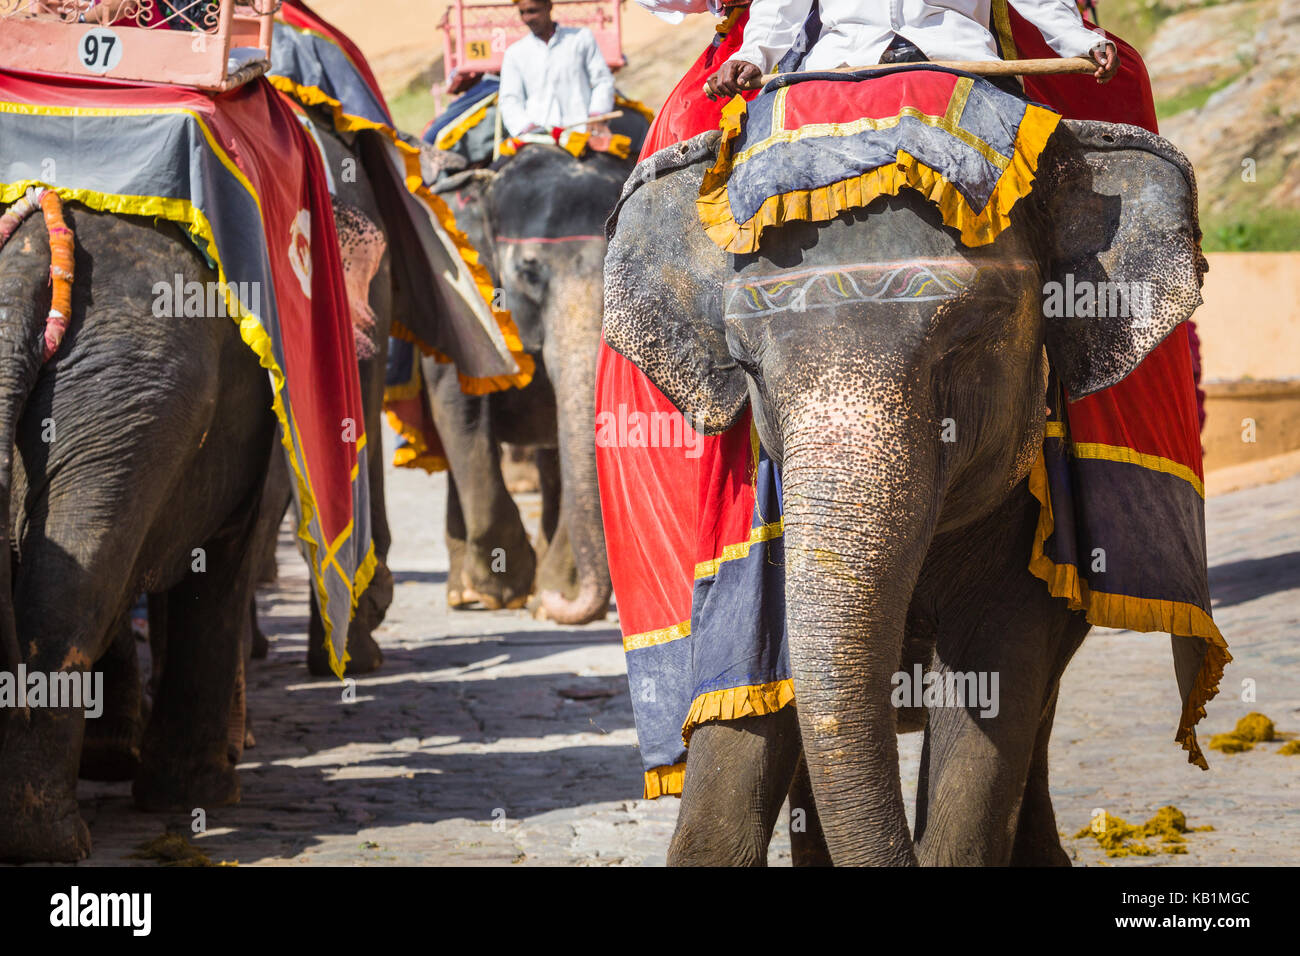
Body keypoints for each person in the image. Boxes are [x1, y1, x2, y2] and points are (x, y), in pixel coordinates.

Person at [707, 0, 1118, 95]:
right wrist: (751, 54)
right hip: (838, 64)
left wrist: (1080, 40)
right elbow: (780, 4)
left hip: (959, 56)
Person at [498, 0, 616, 139]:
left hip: (582, 132)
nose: (526, 18)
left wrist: (597, 115)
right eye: (522, 13)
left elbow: (602, 81)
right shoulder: (514, 53)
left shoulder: (581, 38)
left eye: (532, 11)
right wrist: (527, 127)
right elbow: (509, 99)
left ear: (548, 6)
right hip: (538, 138)